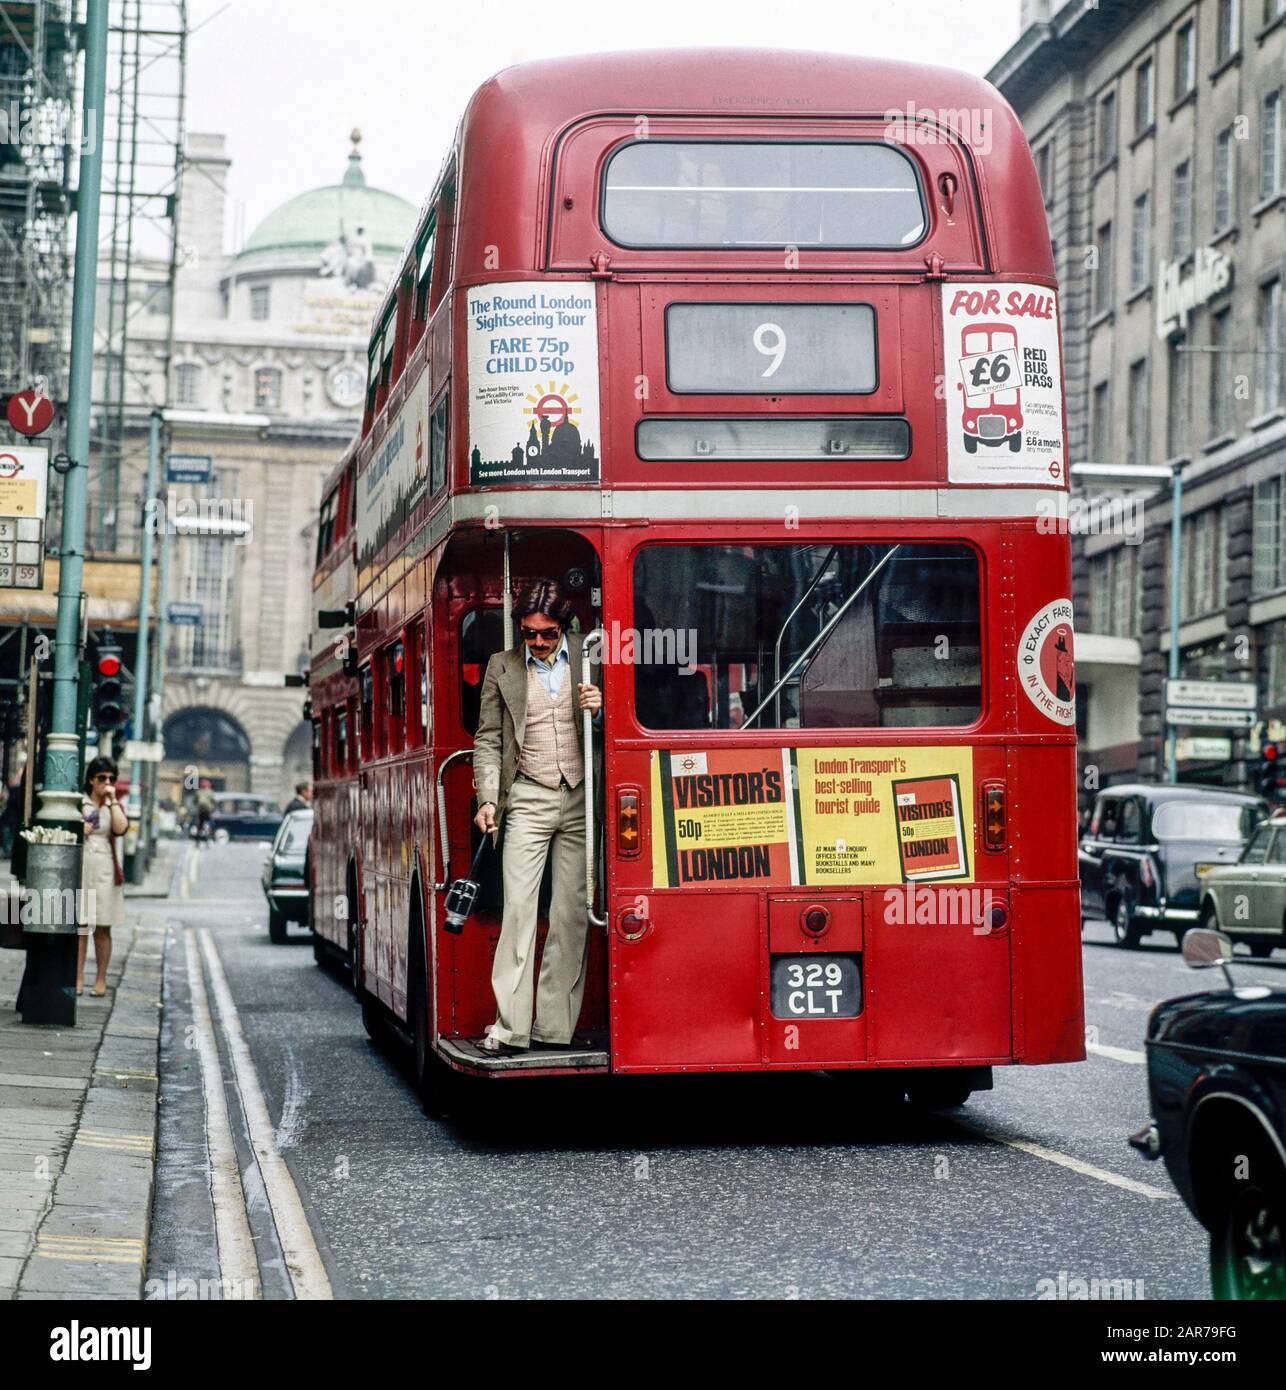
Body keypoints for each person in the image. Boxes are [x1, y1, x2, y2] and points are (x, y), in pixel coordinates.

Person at [472, 579, 602, 1054]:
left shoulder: (593, 658)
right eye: (529, 634)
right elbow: (487, 738)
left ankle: (553, 1028)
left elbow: (624, 724)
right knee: (520, 912)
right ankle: (511, 1028)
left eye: (547, 633)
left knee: (571, 915)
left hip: (582, 795)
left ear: (564, 626)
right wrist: (488, 798)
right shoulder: (501, 668)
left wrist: (601, 709)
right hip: (526, 796)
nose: (539, 642)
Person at [78, 756, 127, 997]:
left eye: (111, 778)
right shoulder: (81, 803)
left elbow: (120, 828)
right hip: (83, 866)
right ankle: (77, 977)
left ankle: (100, 979)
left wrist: (113, 800)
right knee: (81, 925)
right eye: (102, 778)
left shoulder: (112, 806)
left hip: (104, 869)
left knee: (102, 927)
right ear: (91, 779)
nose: (107, 783)